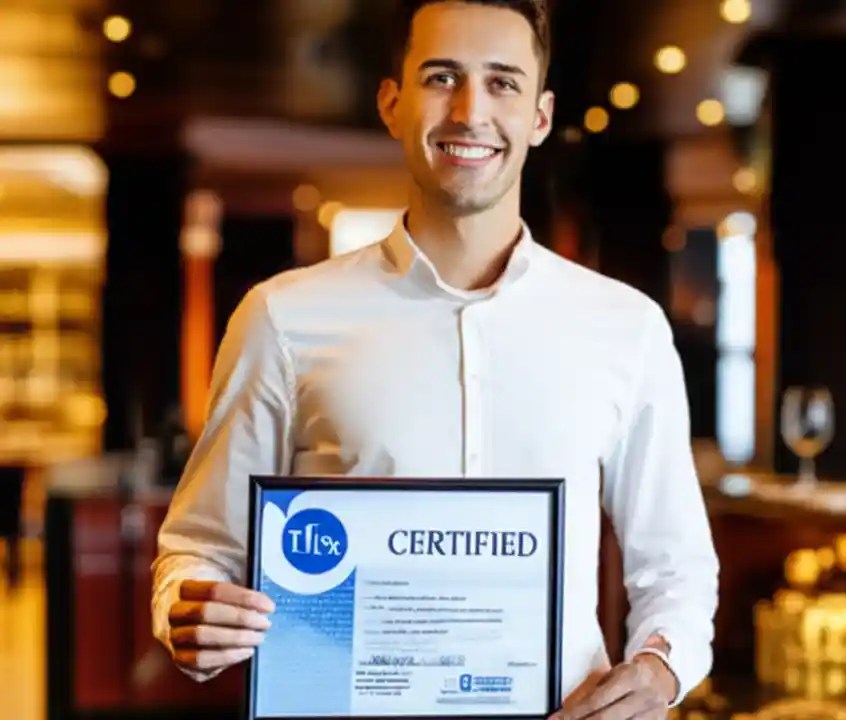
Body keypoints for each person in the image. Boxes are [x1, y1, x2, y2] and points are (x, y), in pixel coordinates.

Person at [149, 0, 720, 717]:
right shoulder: (282, 317)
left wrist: (663, 666)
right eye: (442, 77)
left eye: (503, 82)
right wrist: (188, 610)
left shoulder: (626, 328)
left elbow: (676, 567)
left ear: (540, 117)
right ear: (392, 103)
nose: (470, 110)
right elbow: (198, 548)